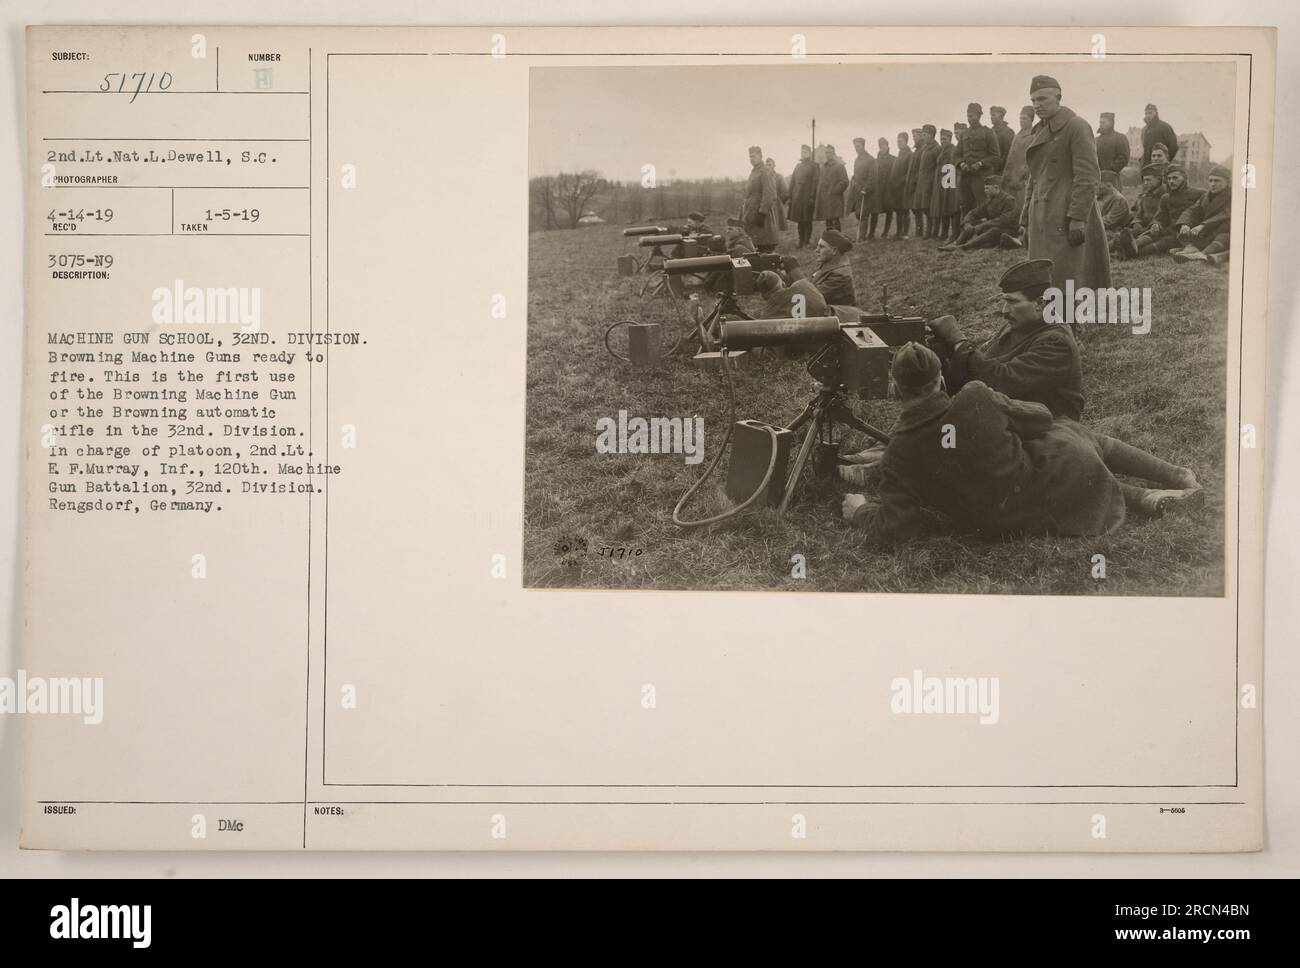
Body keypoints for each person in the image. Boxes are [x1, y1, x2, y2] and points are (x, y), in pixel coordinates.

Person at [839, 343, 1203, 542]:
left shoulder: (900, 452)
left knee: (1067, 451)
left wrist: (859, 510)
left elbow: (895, 526)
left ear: (894, 389)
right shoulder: (975, 396)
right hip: (1051, 485)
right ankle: (1176, 474)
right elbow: (1041, 417)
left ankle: (1150, 498)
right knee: (1074, 434)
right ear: (939, 381)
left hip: (998, 525)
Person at [925, 259, 1083, 420]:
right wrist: (945, 356)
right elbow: (984, 368)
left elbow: (1002, 380)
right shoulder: (1018, 326)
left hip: (1051, 431)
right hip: (1014, 419)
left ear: (1041, 304)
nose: (1004, 311)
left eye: (1012, 302)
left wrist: (958, 342)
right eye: (1004, 301)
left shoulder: (1056, 342)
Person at [1020, 74, 1112, 298]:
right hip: (1041, 211)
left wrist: (1078, 218)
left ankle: (1070, 319)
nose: (1036, 105)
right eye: (1033, 101)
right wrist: (1025, 218)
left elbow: (1088, 175)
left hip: (1066, 212)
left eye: (1042, 99)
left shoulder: (1077, 126)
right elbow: (1034, 178)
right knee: (1045, 270)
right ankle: (1051, 313)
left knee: (1069, 270)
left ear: (1058, 97)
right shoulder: (1039, 131)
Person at [1124, 163, 1199, 259]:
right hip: (1170, 230)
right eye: (1169, 179)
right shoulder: (1166, 197)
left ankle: (1134, 251)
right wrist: (1156, 224)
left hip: (1185, 233)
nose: (1171, 181)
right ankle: (1133, 245)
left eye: (1175, 178)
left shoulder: (1197, 194)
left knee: (1166, 240)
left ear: (1184, 178)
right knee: (1154, 233)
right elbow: (1160, 216)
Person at [938, 176, 1020, 251]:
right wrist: (967, 224)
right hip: (993, 228)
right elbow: (974, 213)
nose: (985, 191)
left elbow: (1004, 220)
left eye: (987, 188)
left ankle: (965, 247)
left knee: (993, 230)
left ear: (996, 188)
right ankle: (956, 243)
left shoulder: (1009, 200)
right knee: (973, 225)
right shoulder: (990, 201)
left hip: (1010, 231)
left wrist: (983, 225)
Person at [1171, 165, 1232, 264]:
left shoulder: (1234, 196)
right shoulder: (1205, 196)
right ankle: (1192, 250)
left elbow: (1225, 214)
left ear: (1227, 182)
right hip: (1207, 232)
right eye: (1210, 180)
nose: (1212, 184)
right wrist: (1185, 223)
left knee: (1223, 234)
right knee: (1192, 234)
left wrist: (1203, 225)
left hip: (1226, 231)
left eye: (1217, 181)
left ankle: (1200, 253)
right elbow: (1192, 210)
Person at [955, 102, 1003, 212]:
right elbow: (956, 154)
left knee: (983, 208)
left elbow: (996, 157)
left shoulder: (988, 133)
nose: (969, 119)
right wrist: (961, 163)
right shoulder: (964, 134)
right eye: (968, 116)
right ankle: (967, 229)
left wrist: (980, 164)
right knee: (965, 208)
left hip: (981, 178)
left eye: (971, 116)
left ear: (979, 116)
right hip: (966, 178)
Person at [741, 145, 786, 253]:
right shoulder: (754, 171)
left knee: (764, 246)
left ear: (760, 156)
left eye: (754, 156)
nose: (751, 159)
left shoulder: (765, 171)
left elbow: (769, 195)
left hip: (761, 215)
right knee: (752, 246)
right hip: (751, 213)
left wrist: (762, 213)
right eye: (750, 157)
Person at [1113, 164, 1164, 259]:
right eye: (1144, 180)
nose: (1145, 183)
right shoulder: (1145, 196)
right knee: (1120, 236)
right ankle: (1107, 250)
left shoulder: (1165, 196)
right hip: (1143, 227)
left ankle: (1129, 249)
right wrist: (1137, 223)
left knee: (1141, 241)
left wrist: (1152, 227)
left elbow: (1164, 217)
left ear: (1159, 179)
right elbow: (1139, 214)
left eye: (1149, 180)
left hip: (1157, 230)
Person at [755, 269, 830, 319]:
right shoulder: (802, 286)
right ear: (783, 284)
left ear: (763, 296)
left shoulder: (766, 316)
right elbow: (822, 307)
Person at [809, 228, 857, 306]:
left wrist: (793, 270)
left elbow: (810, 297)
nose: (816, 250)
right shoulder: (830, 264)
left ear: (834, 250)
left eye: (821, 247)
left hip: (840, 317)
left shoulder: (840, 276)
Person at [1001, 105, 1036, 209]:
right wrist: (1006, 175)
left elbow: (1033, 158)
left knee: (1023, 207)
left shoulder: (1034, 136)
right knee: (1010, 208)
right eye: (1020, 118)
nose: (1021, 121)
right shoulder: (1017, 136)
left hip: (1023, 180)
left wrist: (1025, 173)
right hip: (1011, 179)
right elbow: (1010, 158)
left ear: (1031, 119)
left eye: (1024, 119)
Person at [929, 129, 960, 242]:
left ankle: (953, 234)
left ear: (949, 139)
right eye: (941, 139)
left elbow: (952, 168)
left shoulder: (952, 150)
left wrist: (949, 185)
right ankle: (944, 233)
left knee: (951, 208)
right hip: (941, 183)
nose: (942, 141)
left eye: (945, 139)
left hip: (949, 183)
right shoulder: (942, 151)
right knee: (943, 208)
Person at [909, 125, 939, 240]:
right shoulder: (925, 148)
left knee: (930, 209)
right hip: (923, 183)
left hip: (930, 183)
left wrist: (933, 180)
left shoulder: (936, 148)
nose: (922, 137)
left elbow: (938, 166)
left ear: (931, 135)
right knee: (925, 208)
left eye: (924, 135)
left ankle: (933, 232)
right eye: (922, 135)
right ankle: (929, 231)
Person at [788, 145, 819, 248]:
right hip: (797, 196)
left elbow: (815, 182)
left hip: (807, 196)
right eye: (802, 152)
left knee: (807, 219)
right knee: (799, 220)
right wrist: (790, 196)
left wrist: (812, 196)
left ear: (809, 153)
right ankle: (800, 240)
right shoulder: (798, 166)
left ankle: (806, 241)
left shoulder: (814, 165)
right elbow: (792, 181)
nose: (803, 154)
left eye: (805, 152)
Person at [814, 144, 850, 233]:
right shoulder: (823, 168)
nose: (827, 154)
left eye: (829, 153)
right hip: (826, 199)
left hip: (835, 200)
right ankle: (830, 241)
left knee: (835, 221)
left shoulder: (839, 166)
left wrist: (834, 191)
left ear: (834, 154)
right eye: (826, 153)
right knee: (828, 222)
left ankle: (839, 241)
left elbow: (845, 181)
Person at [866, 137, 895, 239]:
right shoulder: (876, 160)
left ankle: (885, 232)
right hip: (878, 189)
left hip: (889, 189)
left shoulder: (893, 159)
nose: (882, 147)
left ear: (887, 146)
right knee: (875, 211)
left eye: (884, 145)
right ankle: (871, 233)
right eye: (880, 146)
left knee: (889, 211)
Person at [1096, 172, 1133, 244]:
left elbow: (1109, 221)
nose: (1096, 187)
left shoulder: (1119, 200)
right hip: (1100, 229)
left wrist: (1090, 224)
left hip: (1114, 232)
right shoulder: (1098, 197)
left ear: (1108, 185)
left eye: (1099, 184)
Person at [849, 137, 875, 240]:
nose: (856, 148)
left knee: (863, 215)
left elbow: (872, 177)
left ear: (863, 146)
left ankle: (861, 237)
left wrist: (866, 189)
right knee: (858, 213)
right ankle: (860, 235)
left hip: (865, 192)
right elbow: (856, 174)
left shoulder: (870, 159)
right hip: (857, 190)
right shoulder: (857, 159)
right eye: (855, 146)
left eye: (858, 146)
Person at [888, 132, 913, 238]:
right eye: (897, 141)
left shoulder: (909, 154)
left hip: (904, 187)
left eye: (900, 141)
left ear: (906, 141)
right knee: (898, 210)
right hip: (896, 187)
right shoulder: (900, 153)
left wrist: (901, 181)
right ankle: (898, 232)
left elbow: (909, 171)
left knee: (905, 210)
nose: (898, 143)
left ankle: (905, 233)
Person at [1094, 112, 1130, 178]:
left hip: (1112, 178)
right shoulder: (1096, 140)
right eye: (1100, 122)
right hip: (1097, 178)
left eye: (1103, 122)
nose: (1100, 125)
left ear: (1111, 123)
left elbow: (1123, 158)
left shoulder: (1120, 138)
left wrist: (1110, 170)